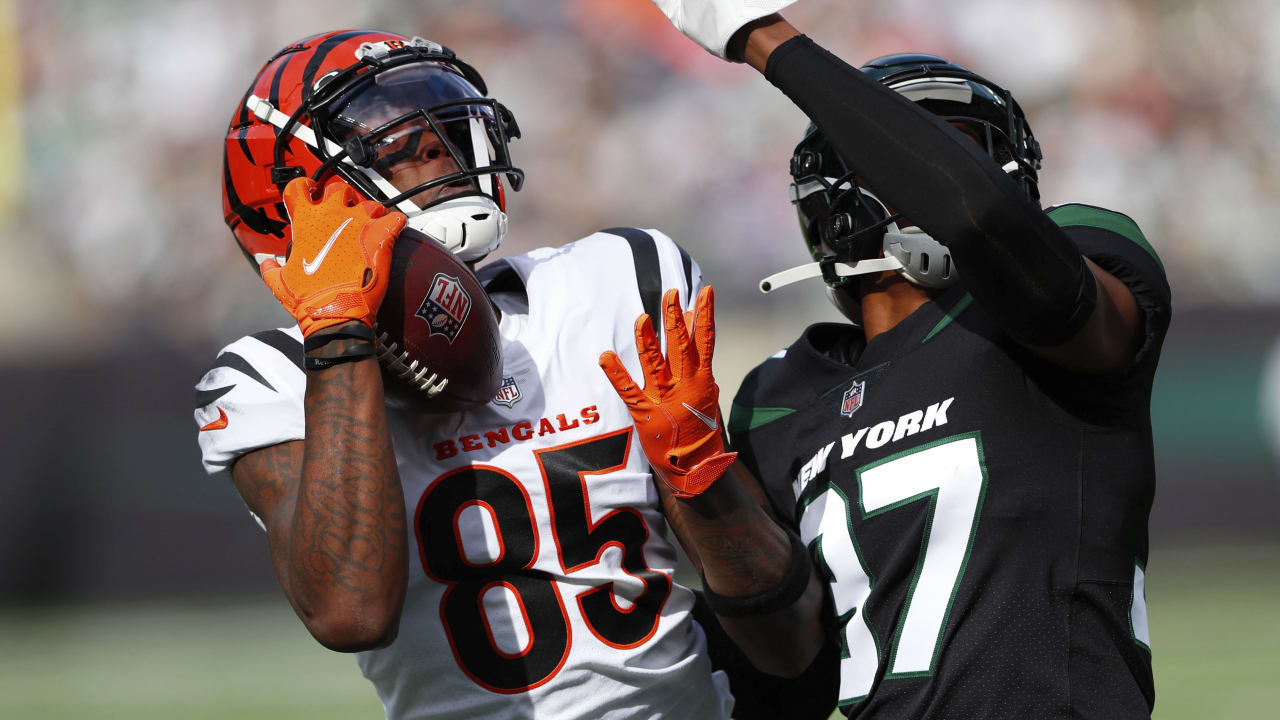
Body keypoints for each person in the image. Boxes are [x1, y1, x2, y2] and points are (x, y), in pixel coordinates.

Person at [600, 3, 1170, 718]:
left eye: (968, 153)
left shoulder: (1073, 277)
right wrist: (700, 481)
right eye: (922, 150)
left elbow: (984, 218)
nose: (960, 172)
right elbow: (785, 670)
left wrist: (764, 38)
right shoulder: (779, 399)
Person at [195, 30, 736, 719]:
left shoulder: (616, 278)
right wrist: (338, 330)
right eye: (388, 142)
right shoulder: (268, 375)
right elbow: (349, 611)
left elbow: (741, 581)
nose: (432, 148)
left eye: (440, 130)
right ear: (292, 198)